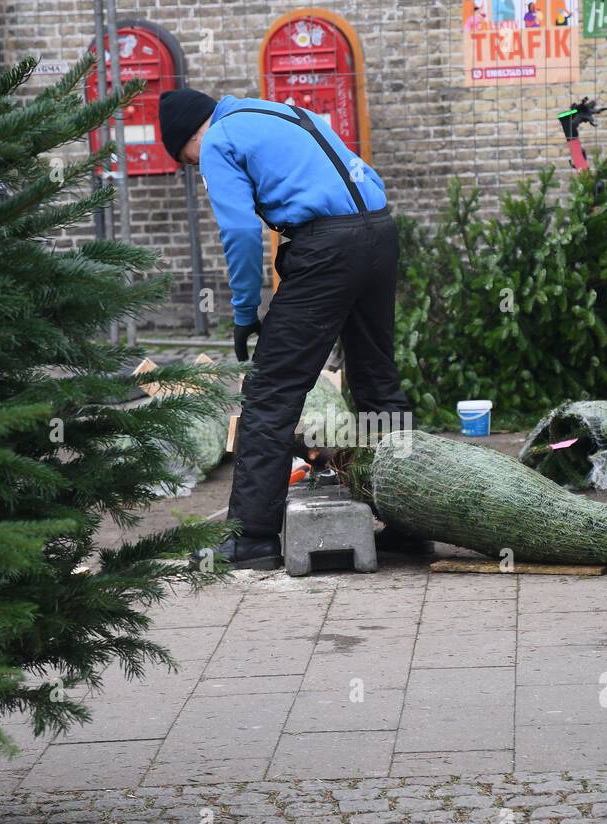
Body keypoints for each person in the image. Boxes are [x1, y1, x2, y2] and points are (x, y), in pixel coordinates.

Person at [159, 89, 421, 570]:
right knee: (376, 381)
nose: (195, 168)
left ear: (189, 140)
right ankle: (412, 524)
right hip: (379, 233)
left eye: (187, 162)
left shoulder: (217, 140)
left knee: (270, 391)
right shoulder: (278, 111)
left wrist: (244, 310)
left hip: (327, 248)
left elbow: (239, 232)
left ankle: (251, 540)